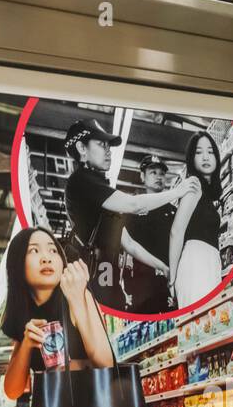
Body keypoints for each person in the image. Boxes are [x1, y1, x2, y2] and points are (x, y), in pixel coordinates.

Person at [1, 226, 115, 407]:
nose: (46, 257)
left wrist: (77, 299)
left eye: (53, 250)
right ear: (18, 263)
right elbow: (12, 390)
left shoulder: (80, 295)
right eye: (34, 250)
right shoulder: (24, 319)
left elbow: (105, 364)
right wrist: (27, 345)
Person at [62, 119, 198, 311]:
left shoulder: (98, 187)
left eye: (108, 145)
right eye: (102, 145)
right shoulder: (82, 182)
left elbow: (130, 245)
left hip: (108, 285)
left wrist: (163, 267)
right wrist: (178, 191)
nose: (108, 150)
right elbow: (133, 204)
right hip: (94, 286)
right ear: (82, 148)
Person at [170, 131, 224, 309]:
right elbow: (176, 232)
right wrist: (172, 279)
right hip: (196, 264)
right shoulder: (194, 185)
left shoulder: (206, 193)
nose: (205, 157)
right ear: (191, 158)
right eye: (199, 152)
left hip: (208, 263)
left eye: (210, 151)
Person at [122, 154, 176, 314]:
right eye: (153, 172)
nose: (159, 177)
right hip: (140, 287)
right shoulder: (132, 209)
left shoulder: (173, 211)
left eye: (162, 173)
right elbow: (126, 245)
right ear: (142, 176)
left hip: (168, 284)